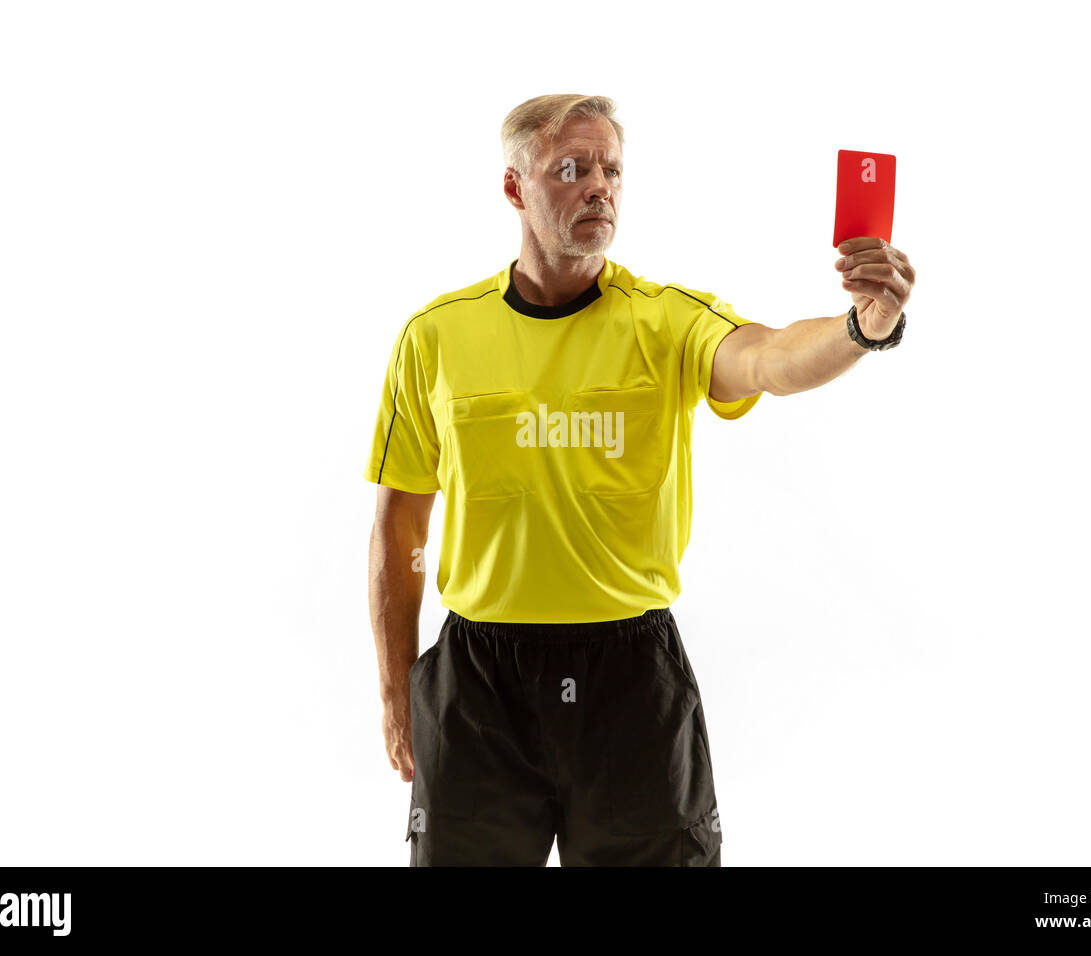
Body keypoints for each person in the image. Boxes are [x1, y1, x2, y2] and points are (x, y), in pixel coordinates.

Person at [364, 93, 916, 866]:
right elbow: (401, 524)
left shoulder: (666, 321)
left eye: (612, 170)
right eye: (572, 169)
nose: (600, 187)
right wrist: (396, 691)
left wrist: (861, 328)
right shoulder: (436, 337)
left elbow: (769, 358)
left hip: (630, 678)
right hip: (478, 683)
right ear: (515, 187)